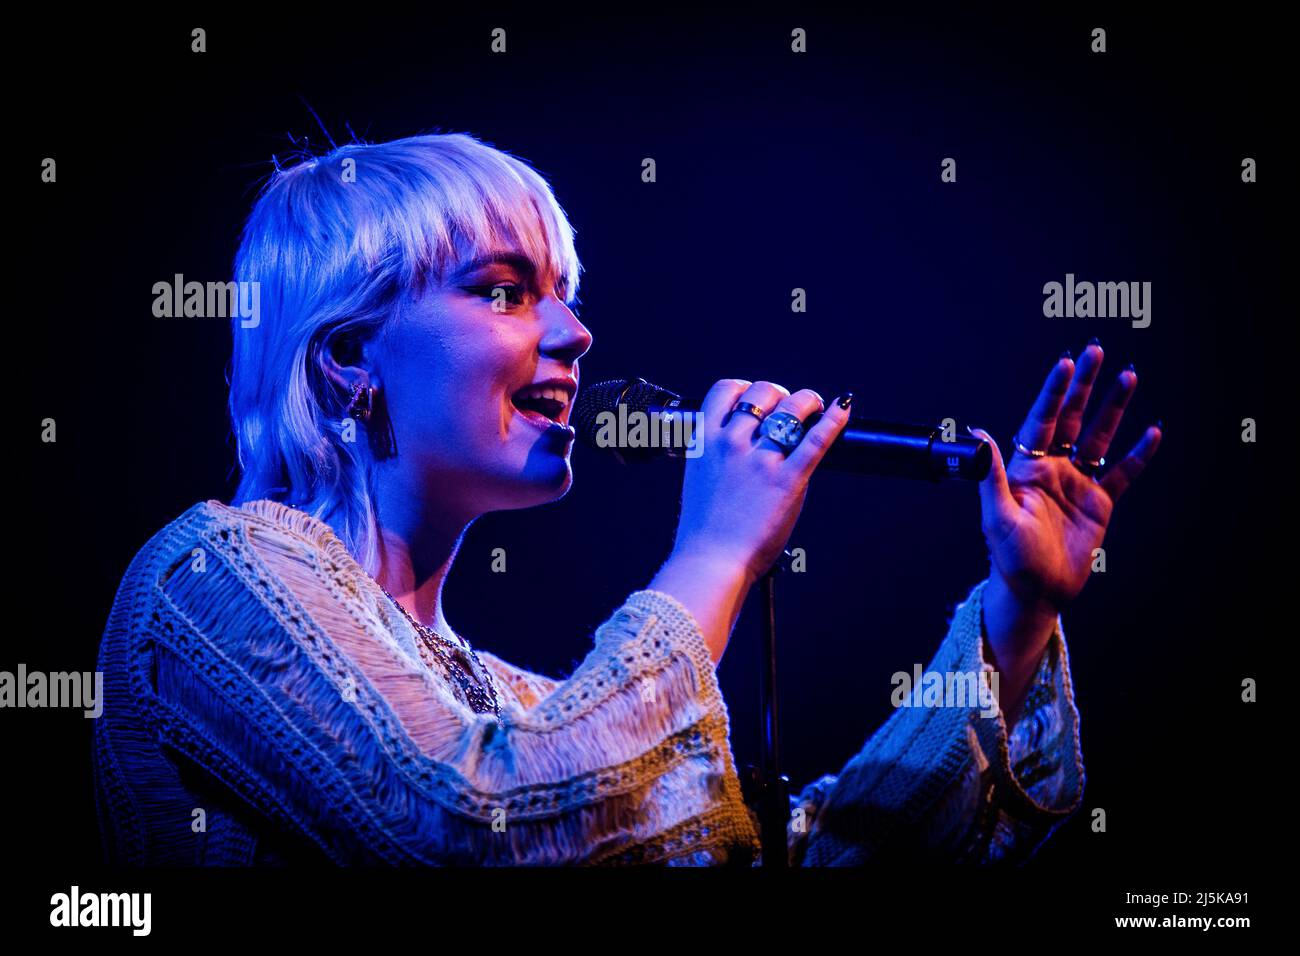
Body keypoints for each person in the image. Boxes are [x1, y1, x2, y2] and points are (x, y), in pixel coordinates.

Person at [93, 132, 1160, 865]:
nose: (574, 333)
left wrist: (1018, 613)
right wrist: (715, 553)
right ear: (343, 361)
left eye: (567, 293)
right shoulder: (209, 582)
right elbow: (471, 832)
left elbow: (787, 860)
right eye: (506, 291)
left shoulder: (516, 702)